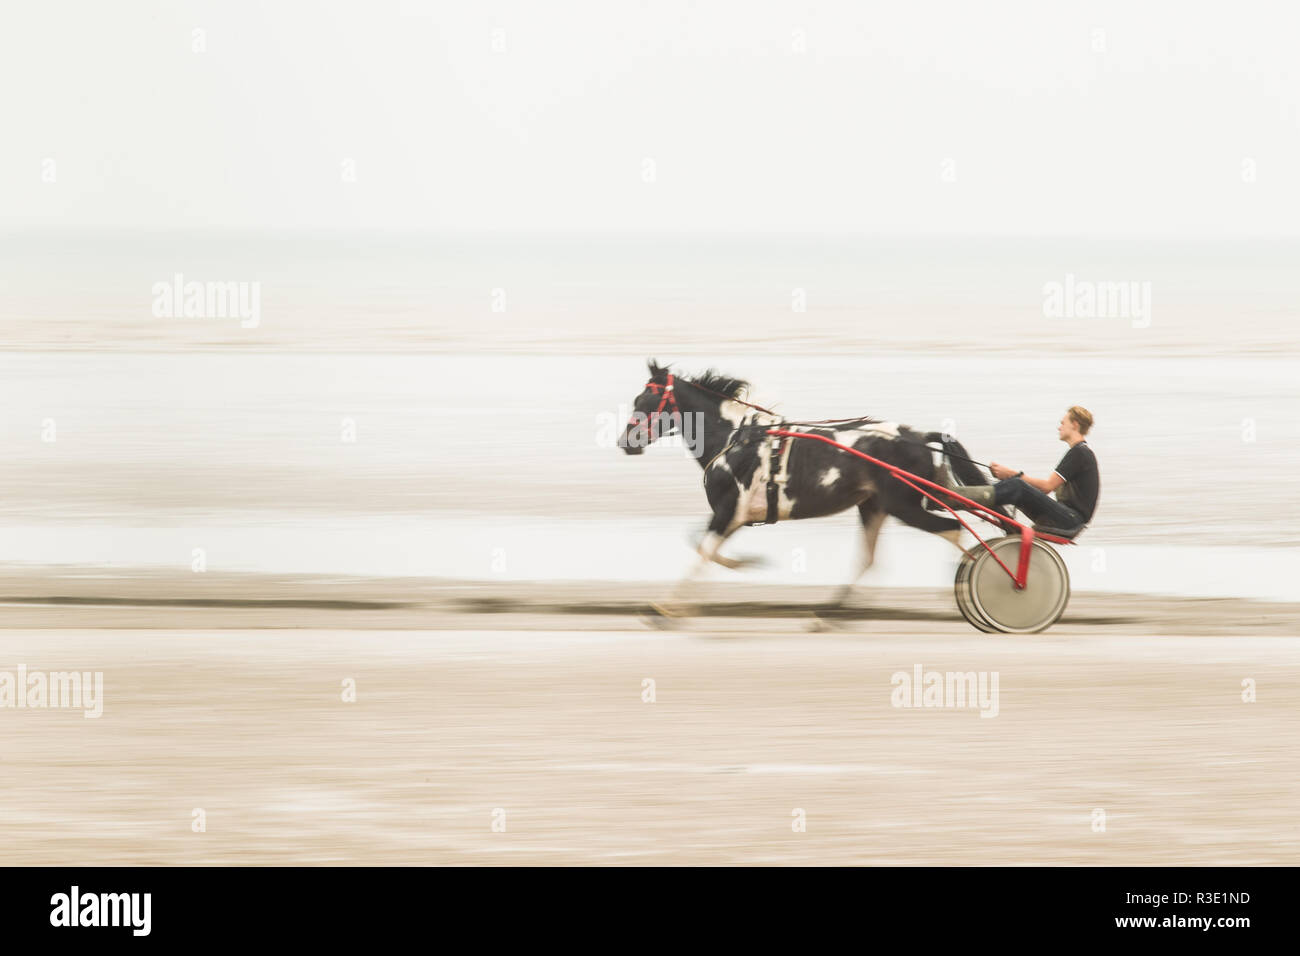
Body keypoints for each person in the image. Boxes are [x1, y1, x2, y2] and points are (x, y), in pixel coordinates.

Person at [943, 406, 1099, 533]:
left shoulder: (1080, 452)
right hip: (1068, 517)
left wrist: (1011, 475)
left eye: (1063, 423)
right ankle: (964, 498)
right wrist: (1009, 477)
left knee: (1018, 485)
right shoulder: (1079, 452)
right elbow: (1045, 490)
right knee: (1017, 487)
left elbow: (1047, 487)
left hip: (1071, 519)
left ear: (1075, 425)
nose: (1059, 427)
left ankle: (956, 496)